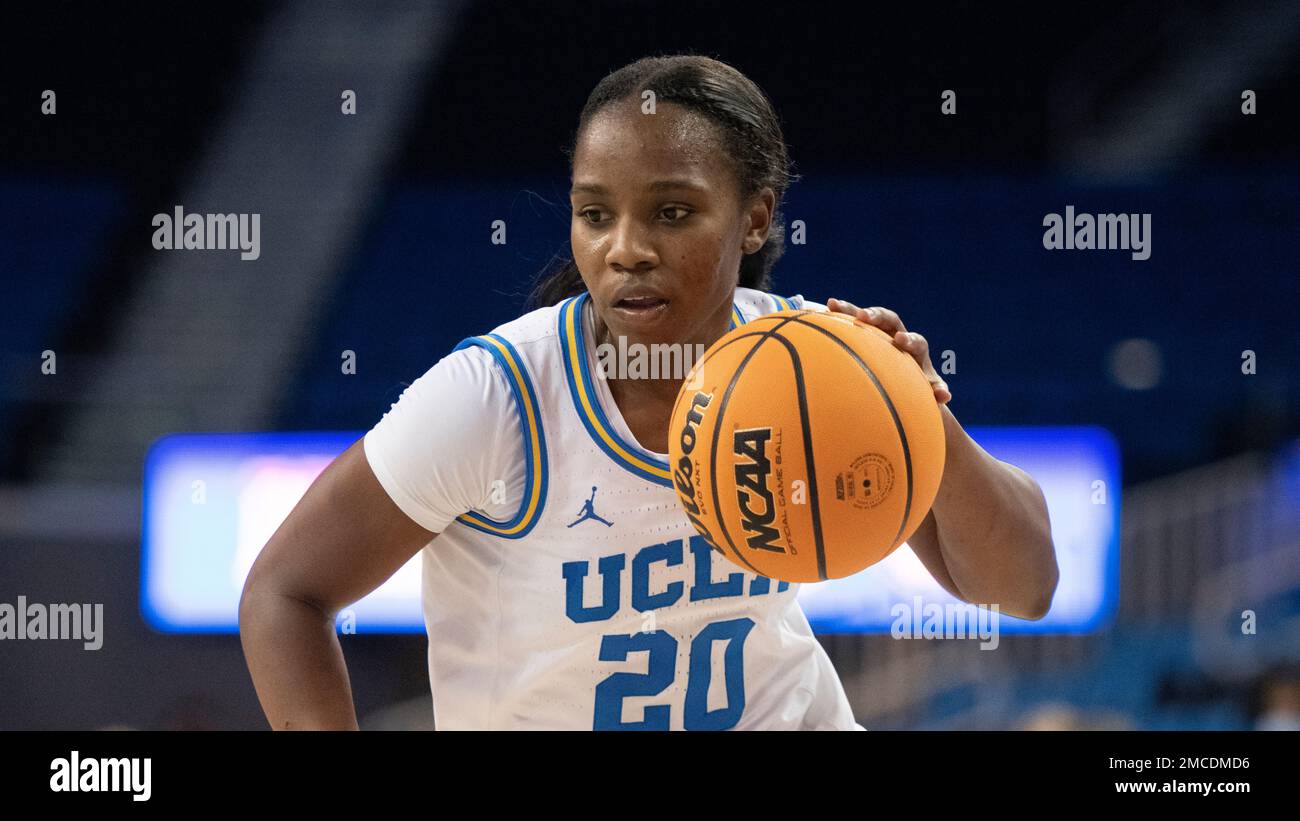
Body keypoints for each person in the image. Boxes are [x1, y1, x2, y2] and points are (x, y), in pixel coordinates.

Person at [239, 54, 1058, 730]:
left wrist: (919, 413)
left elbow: (1021, 587)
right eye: (595, 214)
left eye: (671, 212)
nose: (625, 249)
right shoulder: (498, 396)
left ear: (756, 218)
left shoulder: (820, 363)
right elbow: (284, 593)